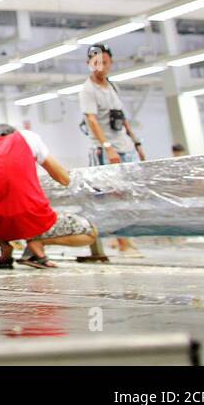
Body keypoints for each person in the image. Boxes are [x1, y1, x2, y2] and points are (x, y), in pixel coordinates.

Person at [0, 124, 99, 269]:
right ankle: (37, 243)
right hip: (35, 217)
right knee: (90, 232)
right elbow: (61, 177)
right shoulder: (26, 137)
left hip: (0, 222)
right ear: (11, 131)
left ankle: (5, 246)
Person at [79, 43, 145, 254]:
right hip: (104, 149)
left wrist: (136, 143)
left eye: (104, 62)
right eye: (96, 63)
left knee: (129, 192)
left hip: (125, 146)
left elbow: (122, 117)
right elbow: (91, 119)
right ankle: (120, 240)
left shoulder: (113, 87)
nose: (101, 67)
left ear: (111, 63)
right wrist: (107, 147)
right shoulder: (88, 90)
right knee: (109, 195)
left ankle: (126, 237)